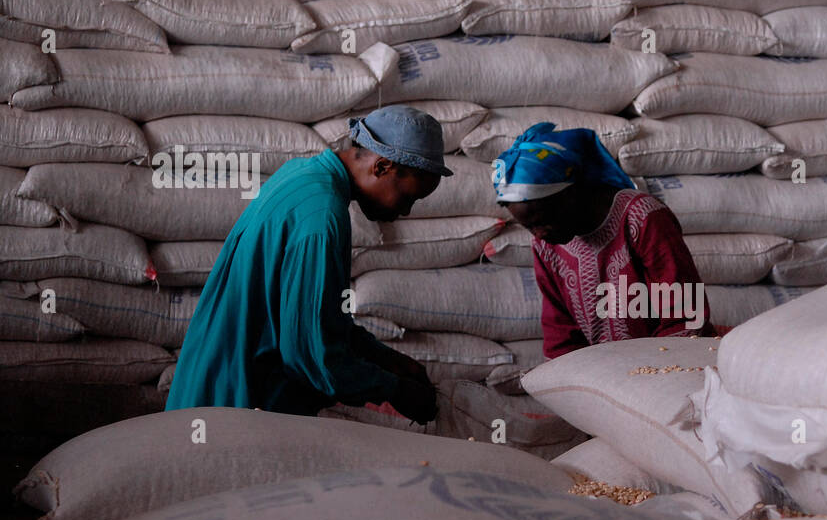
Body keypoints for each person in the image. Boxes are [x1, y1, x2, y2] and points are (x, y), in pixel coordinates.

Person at [166, 105, 450, 422]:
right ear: (382, 167)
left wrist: (387, 359)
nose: (406, 212)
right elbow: (312, 357)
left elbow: (319, 317)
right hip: (234, 406)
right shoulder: (321, 217)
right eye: (407, 197)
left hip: (215, 385)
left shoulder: (302, 174)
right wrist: (396, 390)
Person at [495, 122, 714, 359]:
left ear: (571, 194)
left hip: (672, 366)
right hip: (605, 375)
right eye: (529, 227)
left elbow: (683, 314)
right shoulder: (546, 245)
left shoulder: (641, 218)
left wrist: (647, 375)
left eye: (543, 220)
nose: (538, 234)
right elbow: (560, 332)